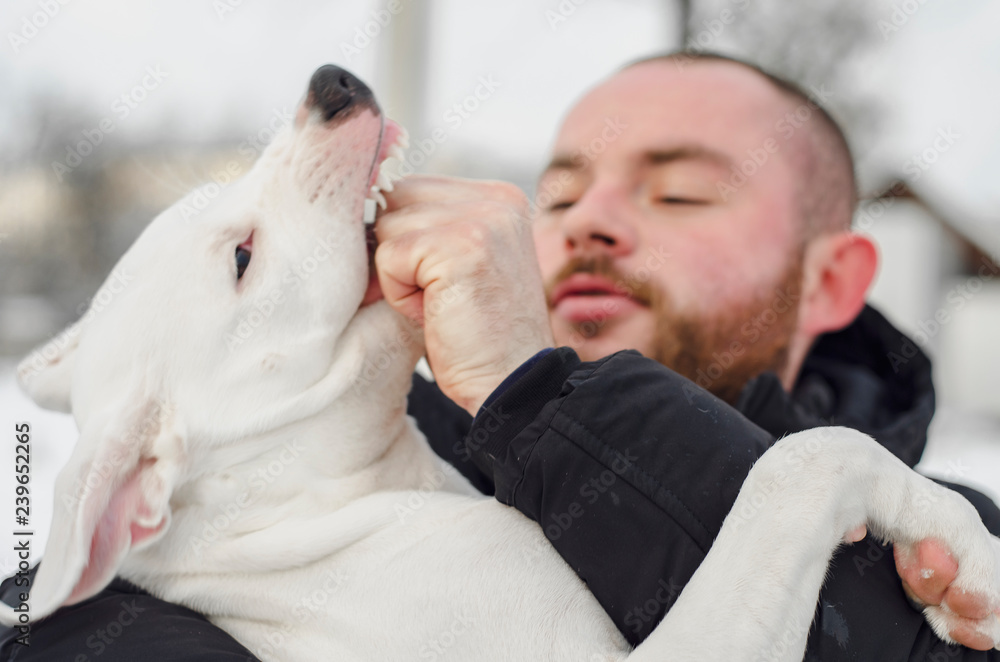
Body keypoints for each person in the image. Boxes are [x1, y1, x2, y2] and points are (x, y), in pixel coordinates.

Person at [2, 52, 998, 660]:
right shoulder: (342, 477)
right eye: (558, 194)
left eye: (682, 192)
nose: (587, 222)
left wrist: (541, 396)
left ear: (834, 279)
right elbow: (48, 609)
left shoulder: (964, 544)